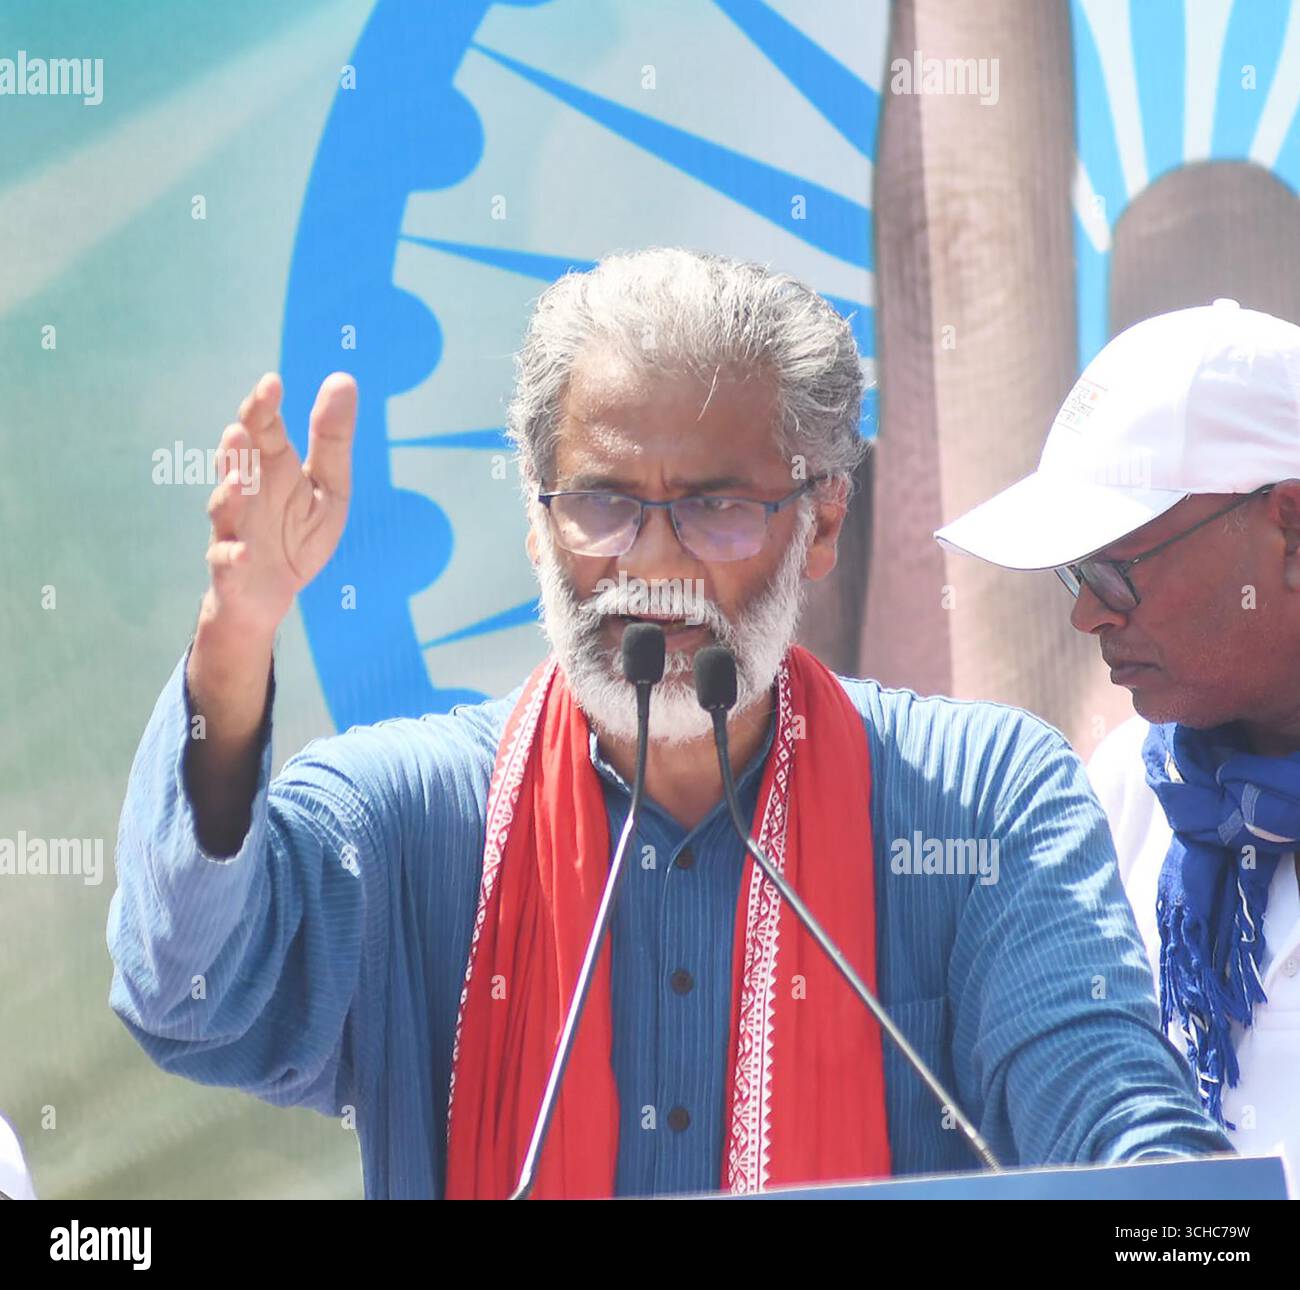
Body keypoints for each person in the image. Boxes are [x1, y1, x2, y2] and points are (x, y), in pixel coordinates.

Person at [109, 248, 1229, 1199]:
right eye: (601, 503)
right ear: (537, 521)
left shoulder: (981, 799)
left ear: (821, 522)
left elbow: (1102, 1102)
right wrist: (232, 652)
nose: (651, 565)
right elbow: (190, 995)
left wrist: (1188, 1225)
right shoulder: (410, 819)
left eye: (716, 508)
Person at [936, 298, 1300, 1179]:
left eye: (1116, 568)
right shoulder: (1122, 792)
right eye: (1077, 569)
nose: (1086, 611)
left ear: (1290, 528)